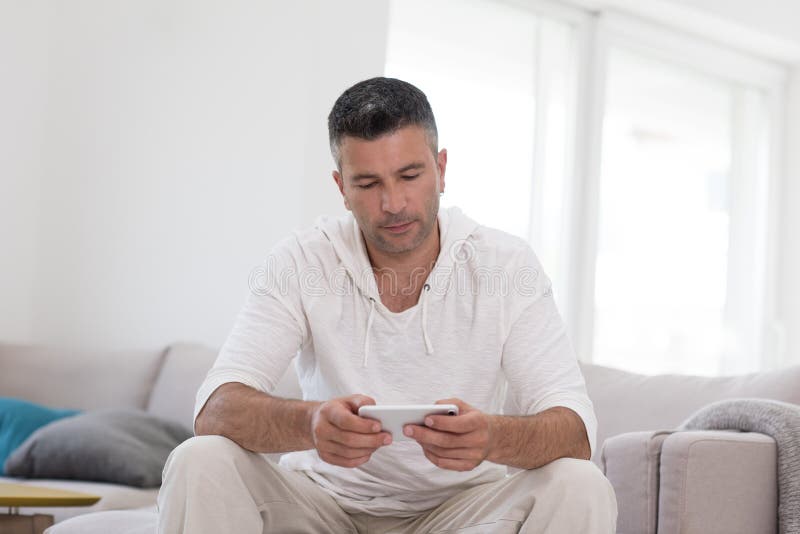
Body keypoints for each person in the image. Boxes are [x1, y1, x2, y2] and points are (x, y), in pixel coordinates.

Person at [157, 77, 617, 533]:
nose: (393, 203)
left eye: (410, 176)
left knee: (581, 482)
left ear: (441, 168)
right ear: (341, 187)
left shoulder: (506, 264)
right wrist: (311, 423)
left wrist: (493, 438)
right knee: (199, 458)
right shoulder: (301, 260)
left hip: (462, 512)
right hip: (321, 506)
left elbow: (575, 431)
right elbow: (214, 410)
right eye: (369, 183)